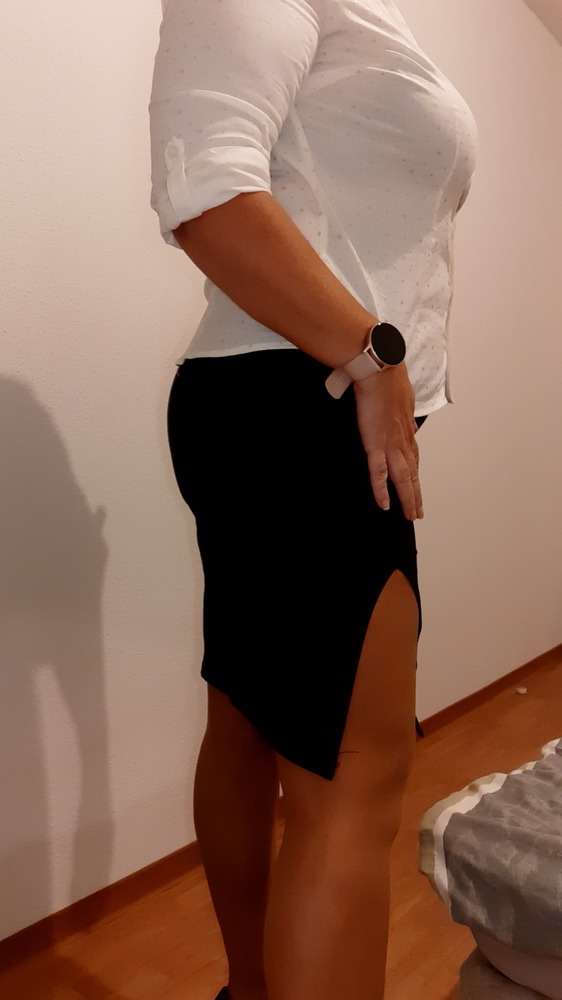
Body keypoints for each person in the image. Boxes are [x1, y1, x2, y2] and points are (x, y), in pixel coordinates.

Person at [149, 1, 478, 998]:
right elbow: (205, 190)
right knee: (351, 781)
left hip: (292, 400)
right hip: (308, 403)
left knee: (250, 721)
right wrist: (375, 354)